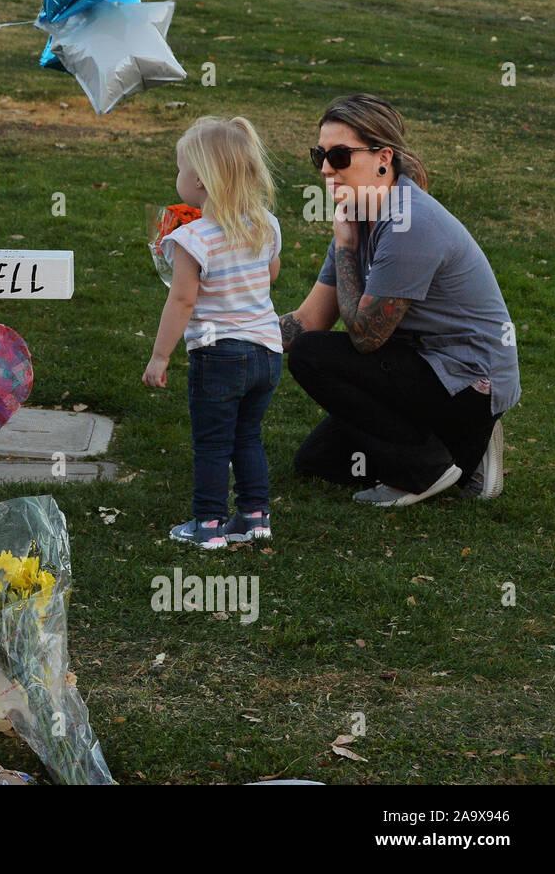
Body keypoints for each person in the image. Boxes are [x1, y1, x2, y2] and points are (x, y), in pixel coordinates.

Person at [279, 94, 519, 505]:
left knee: (310, 355)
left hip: (467, 381)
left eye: (339, 155)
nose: (324, 168)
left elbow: (365, 338)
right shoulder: (360, 213)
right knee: (317, 462)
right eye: (319, 154)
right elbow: (310, 318)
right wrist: (233, 329)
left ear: (382, 158)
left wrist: (345, 247)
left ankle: (428, 467)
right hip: (420, 365)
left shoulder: (409, 223)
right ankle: (460, 451)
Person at [143, 117, 282, 548]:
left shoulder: (193, 238)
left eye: (180, 168)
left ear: (199, 179)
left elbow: (182, 301)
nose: (177, 176)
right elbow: (270, 276)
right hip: (268, 353)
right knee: (248, 435)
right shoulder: (266, 224)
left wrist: (161, 356)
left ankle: (207, 525)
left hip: (218, 353)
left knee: (211, 443)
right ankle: (255, 516)